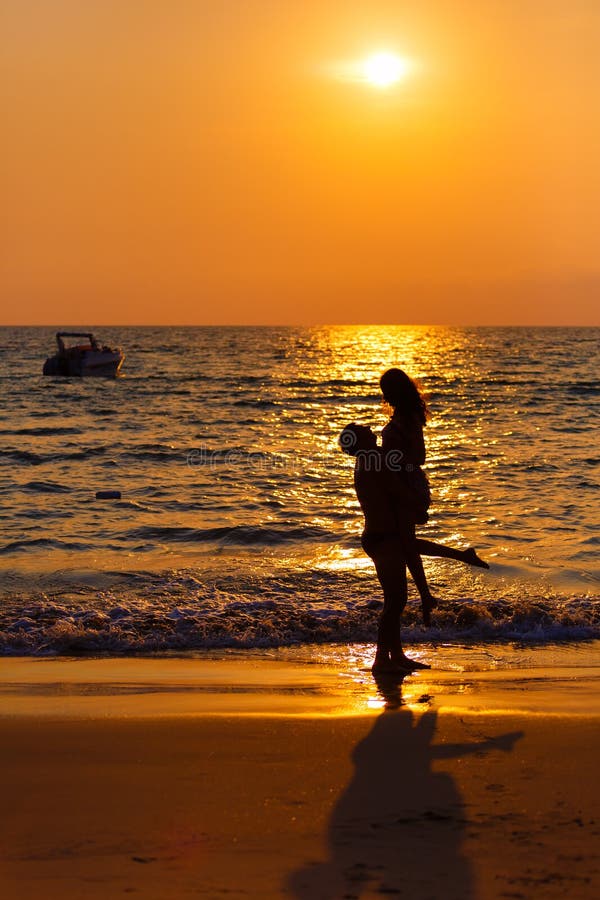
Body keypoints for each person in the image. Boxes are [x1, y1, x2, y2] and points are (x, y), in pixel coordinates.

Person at [339, 423, 488, 673]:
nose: (370, 429)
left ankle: (396, 656)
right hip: (382, 538)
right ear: (358, 440)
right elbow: (398, 490)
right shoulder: (373, 459)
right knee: (395, 602)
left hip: (383, 537)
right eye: (364, 429)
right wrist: (418, 506)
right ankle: (380, 660)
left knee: (395, 600)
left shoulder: (368, 460)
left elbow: (411, 543)